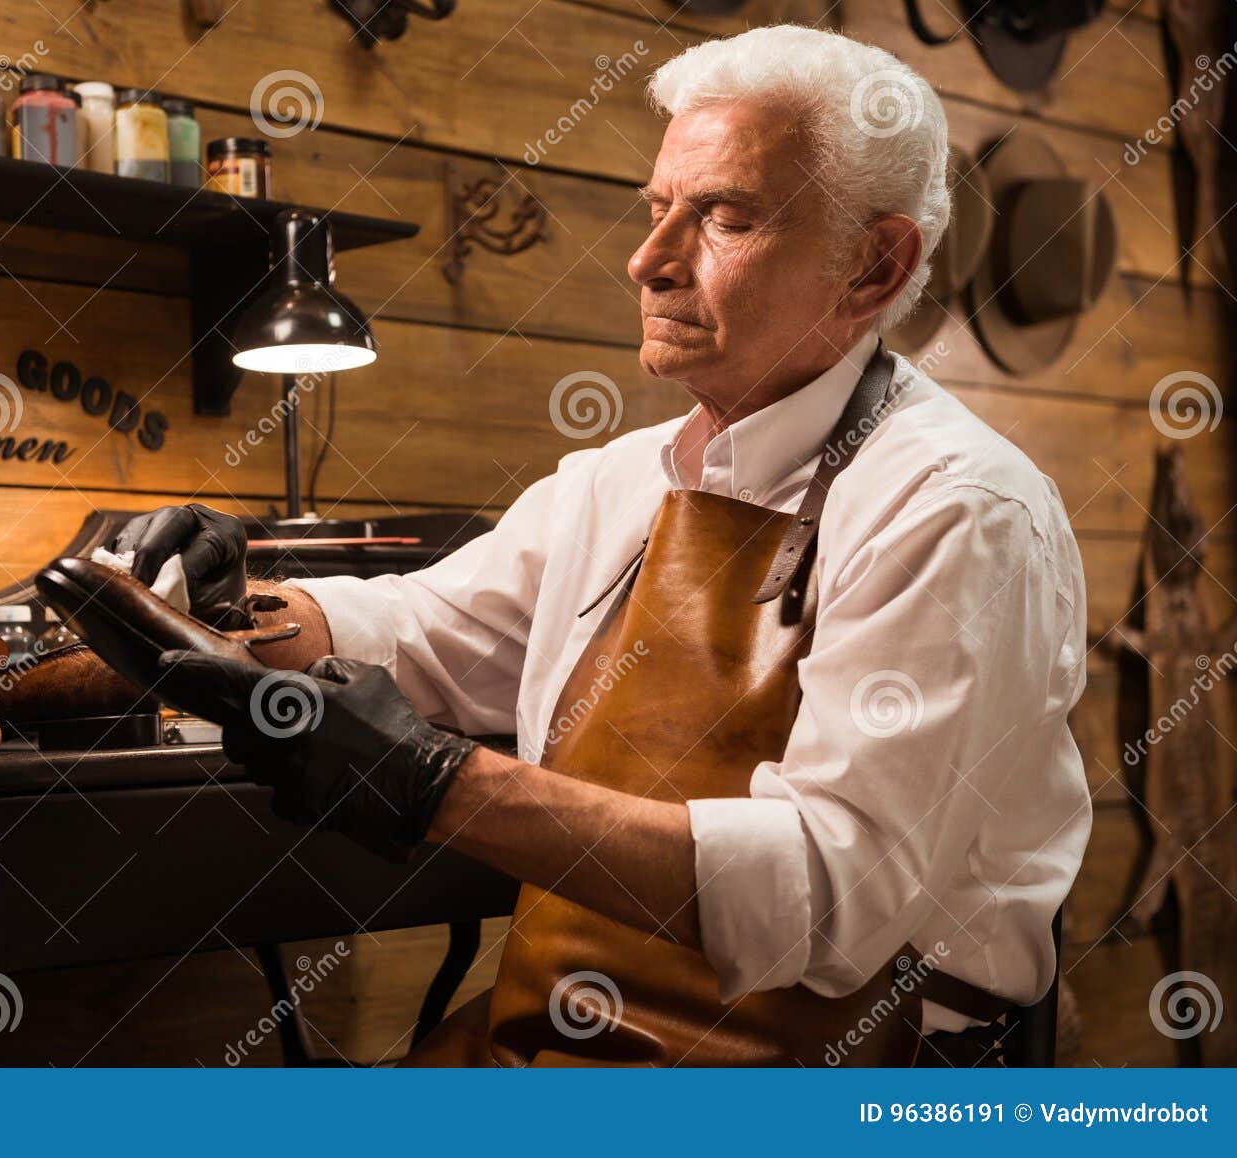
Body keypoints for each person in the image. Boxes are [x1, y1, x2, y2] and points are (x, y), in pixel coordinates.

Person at [111, 25, 1090, 1066]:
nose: (649, 259)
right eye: (659, 208)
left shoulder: (954, 506)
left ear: (872, 263)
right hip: (575, 1033)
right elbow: (417, 631)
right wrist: (236, 603)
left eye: (723, 217)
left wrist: (440, 784)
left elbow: (833, 899)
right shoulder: (618, 482)